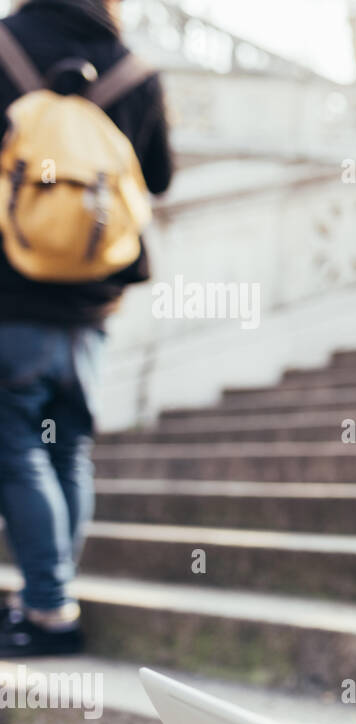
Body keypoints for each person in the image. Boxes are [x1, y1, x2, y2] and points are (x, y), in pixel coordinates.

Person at [0, 0, 173, 656]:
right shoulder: (135, 70)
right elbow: (156, 176)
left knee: (16, 446)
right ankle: (49, 597)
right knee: (67, 447)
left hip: (14, 291)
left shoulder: (5, 45)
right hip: (94, 298)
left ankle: (47, 606)